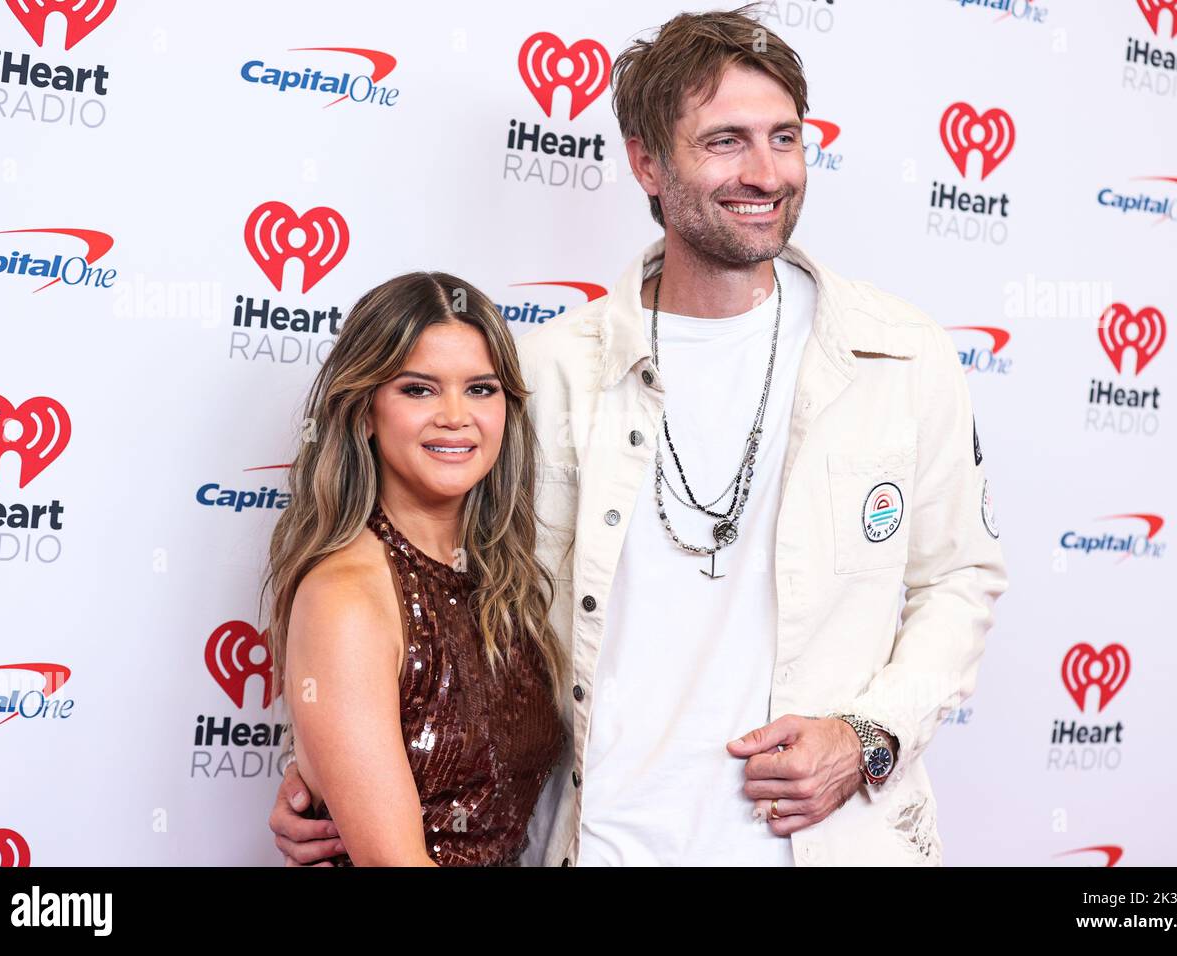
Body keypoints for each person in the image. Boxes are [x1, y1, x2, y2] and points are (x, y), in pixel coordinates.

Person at [270, 4, 1008, 867]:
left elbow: (959, 578)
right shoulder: (545, 374)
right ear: (647, 163)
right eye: (726, 140)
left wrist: (869, 736)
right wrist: (340, 764)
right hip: (604, 843)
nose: (766, 172)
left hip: (825, 847)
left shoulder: (901, 357)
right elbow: (447, 593)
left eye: (785, 137)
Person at [262, 272, 567, 866]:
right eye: (419, 390)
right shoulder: (345, 597)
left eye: (481, 389)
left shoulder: (502, 576)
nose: (456, 416)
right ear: (365, 412)